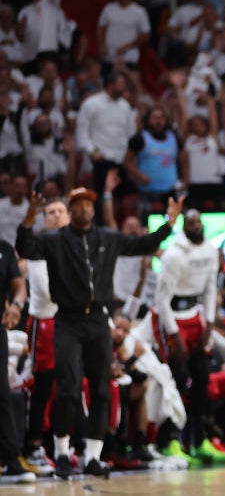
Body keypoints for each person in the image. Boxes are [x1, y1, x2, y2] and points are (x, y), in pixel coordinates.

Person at [15, 188, 182, 478]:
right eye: (77, 204)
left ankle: (93, 456)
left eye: (88, 204)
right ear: (71, 210)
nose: (84, 209)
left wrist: (168, 223)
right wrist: (29, 219)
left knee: (102, 389)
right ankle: (62, 451)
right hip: (67, 320)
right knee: (68, 388)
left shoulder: (107, 237)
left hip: (98, 322)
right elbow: (26, 247)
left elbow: (144, 244)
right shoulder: (54, 240)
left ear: (93, 209)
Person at [154, 209, 225, 463]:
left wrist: (209, 323)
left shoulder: (210, 251)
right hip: (172, 318)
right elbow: (161, 299)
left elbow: (211, 288)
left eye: (198, 221)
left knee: (201, 379)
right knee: (176, 380)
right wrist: (175, 337)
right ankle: (171, 441)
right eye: (190, 222)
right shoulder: (173, 255)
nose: (195, 225)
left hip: (196, 315)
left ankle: (200, 440)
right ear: (185, 227)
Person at [22, 197, 69, 474]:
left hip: (71, 320)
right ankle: (35, 445)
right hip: (46, 321)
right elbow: (44, 288)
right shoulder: (40, 246)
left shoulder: (76, 242)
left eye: (60, 211)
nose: (55, 216)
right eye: (50, 212)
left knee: (70, 387)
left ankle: (63, 446)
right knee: (43, 387)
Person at [0, 238, 35, 483]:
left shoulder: (3, 248)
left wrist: (17, 304)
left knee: (2, 394)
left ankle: (12, 459)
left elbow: (18, 285)